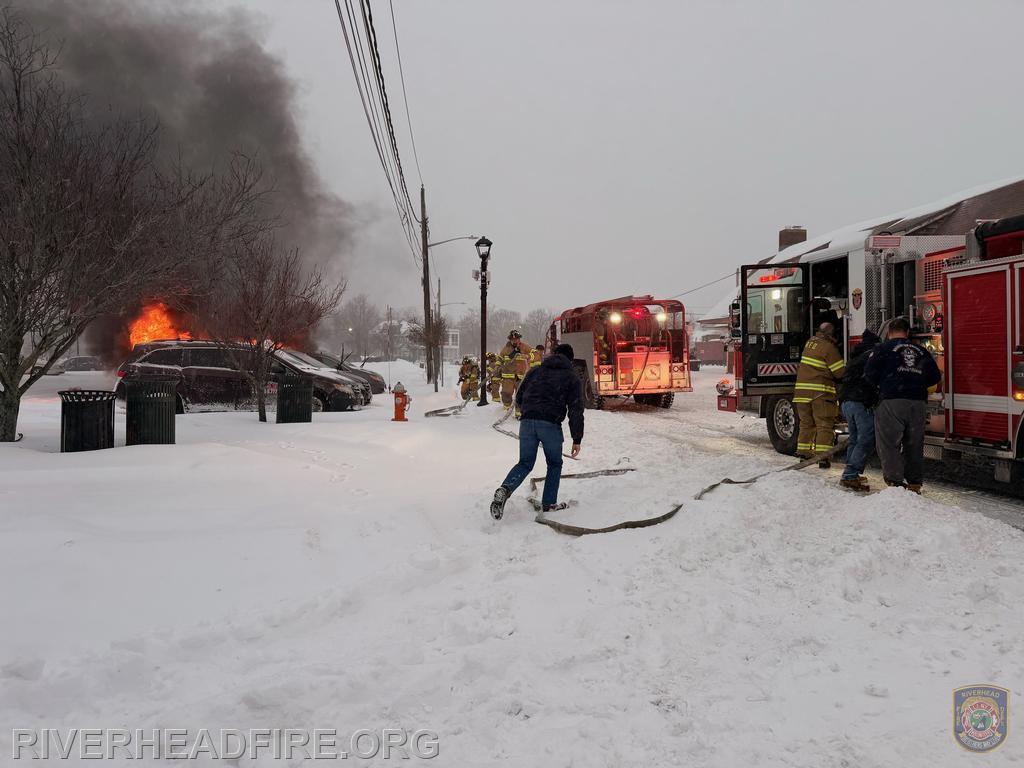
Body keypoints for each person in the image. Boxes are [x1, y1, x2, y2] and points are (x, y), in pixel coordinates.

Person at [490, 343, 584, 520]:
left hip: (527, 421)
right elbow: (575, 410)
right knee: (554, 463)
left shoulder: (536, 371)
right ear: (570, 359)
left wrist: (530, 411)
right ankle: (548, 504)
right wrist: (577, 438)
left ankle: (504, 489)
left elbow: (519, 397)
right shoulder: (571, 377)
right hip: (550, 424)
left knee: (525, 463)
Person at [864, 317, 941, 493]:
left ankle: (895, 482)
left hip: (892, 401)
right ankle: (914, 483)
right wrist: (916, 382)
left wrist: (882, 386)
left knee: (889, 442)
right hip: (918, 403)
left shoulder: (883, 349)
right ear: (907, 333)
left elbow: (869, 373)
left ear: (889, 332)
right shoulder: (921, 351)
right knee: (914, 443)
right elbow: (935, 377)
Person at [794, 322, 845, 468]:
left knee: (806, 423)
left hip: (801, 393)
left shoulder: (810, 343)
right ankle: (823, 458)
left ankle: (803, 453)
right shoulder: (829, 348)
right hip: (820, 393)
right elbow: (839, 372)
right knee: (824, 425)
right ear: (831, 335)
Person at [837, 329, 880, 492]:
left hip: (847, 401)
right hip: (859, 401)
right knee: (867, 438)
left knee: (855, 438)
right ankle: (850, 474)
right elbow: (873, 378)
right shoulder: (872, 355)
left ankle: (850, 473)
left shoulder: (856, 357)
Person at [498, 330, 530, 413]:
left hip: (521, 376)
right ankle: (506, 409)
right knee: (506, 393)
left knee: (521, 395)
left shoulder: (525, 347)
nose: (515, 341)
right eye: (513, 339)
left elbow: (535, 354)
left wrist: (528, 356)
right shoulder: (506, 349)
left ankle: (519, 412)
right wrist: (497, 366)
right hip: (508, 376)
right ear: (510, 340)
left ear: (519, 339)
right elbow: (500, 359)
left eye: (516, 339)